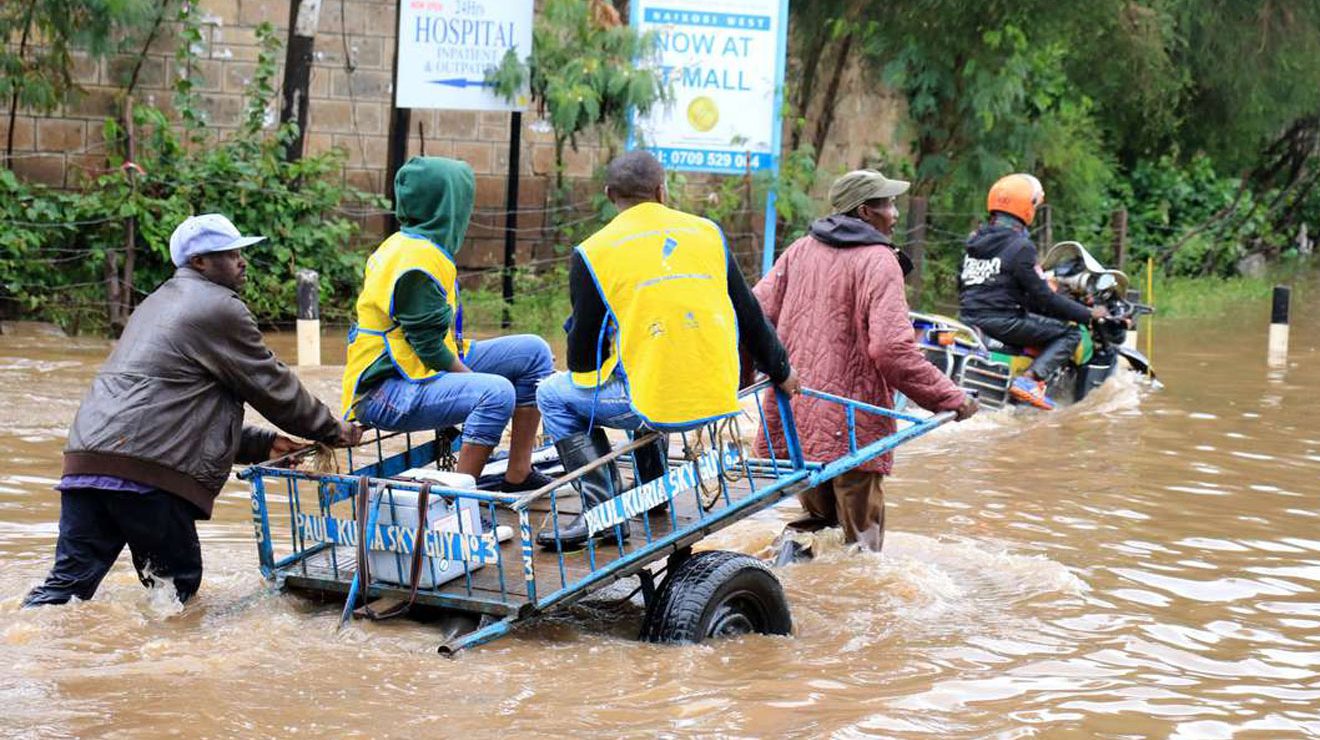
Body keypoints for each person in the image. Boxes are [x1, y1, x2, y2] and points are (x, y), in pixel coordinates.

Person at [24, 214, 362, 607]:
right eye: (230, 253)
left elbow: (169, 409)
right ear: (199, 262)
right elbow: (273, 385)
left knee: (65, 591)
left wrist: (263, 444)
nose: (242, 261)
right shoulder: (220, 308)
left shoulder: (154, 303)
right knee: (177, 593)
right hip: (145, 477)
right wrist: (331, 429)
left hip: (87, 464)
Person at [535, 151, 799, 550]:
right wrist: (781, 370)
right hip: (718, 396)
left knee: (553, 394)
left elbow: (582, 361)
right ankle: (654, 491)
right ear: (662, 191)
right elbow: (749, 313)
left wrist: (597, 354)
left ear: (610, 194)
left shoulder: (593, 251)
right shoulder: (707, 233)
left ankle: (602, 514)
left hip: (651, 403)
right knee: (645, 363)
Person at [753, 170, 978, 560]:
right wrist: (950, 396)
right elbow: (892, 349)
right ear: (865, 211)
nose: (894, 215)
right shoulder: (878, 261)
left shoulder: (800, 250)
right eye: (888, 205)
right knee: (861, 547)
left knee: (817, 525)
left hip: (798, 419)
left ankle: (784, 583)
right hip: (853, 424)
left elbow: (754, 314)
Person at [341, 156, 555, 490]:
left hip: (412, 370)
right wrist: (475, 384)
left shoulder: (413, 245)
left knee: (534, 353)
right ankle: (454, 499)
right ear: (447, 207)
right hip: (385, 388)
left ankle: (518, 474)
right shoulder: (416, 262)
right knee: (496, 393)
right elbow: (429, 349)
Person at [958, 173, 1107, 410]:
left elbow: (966, 284)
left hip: (968, 319)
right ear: (1027, 208)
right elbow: (1044, 298)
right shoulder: (1021, 246)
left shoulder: (974, 242)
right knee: (1070, 334)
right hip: (1002, 321)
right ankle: (1030, 381)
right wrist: (1087, 314)